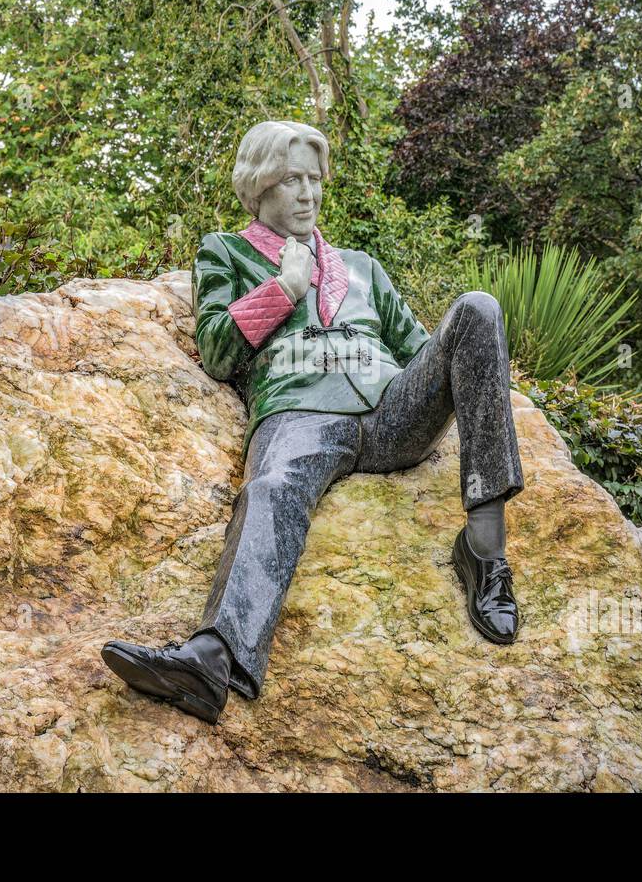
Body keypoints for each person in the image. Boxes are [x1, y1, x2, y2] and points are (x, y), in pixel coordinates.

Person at [101, 120, 524, 723]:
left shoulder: (362, 267)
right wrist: (283, 287)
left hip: (390, 414)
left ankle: (483, 552)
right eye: (290, 180)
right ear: (256, 188)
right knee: (272, 488)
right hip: (298, 411)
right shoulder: (225, 252)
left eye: (314, 179)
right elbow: (218, 352)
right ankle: (212, 658)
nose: (307, 194)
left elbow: (427, 353)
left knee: (478, 309)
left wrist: (482, 384)